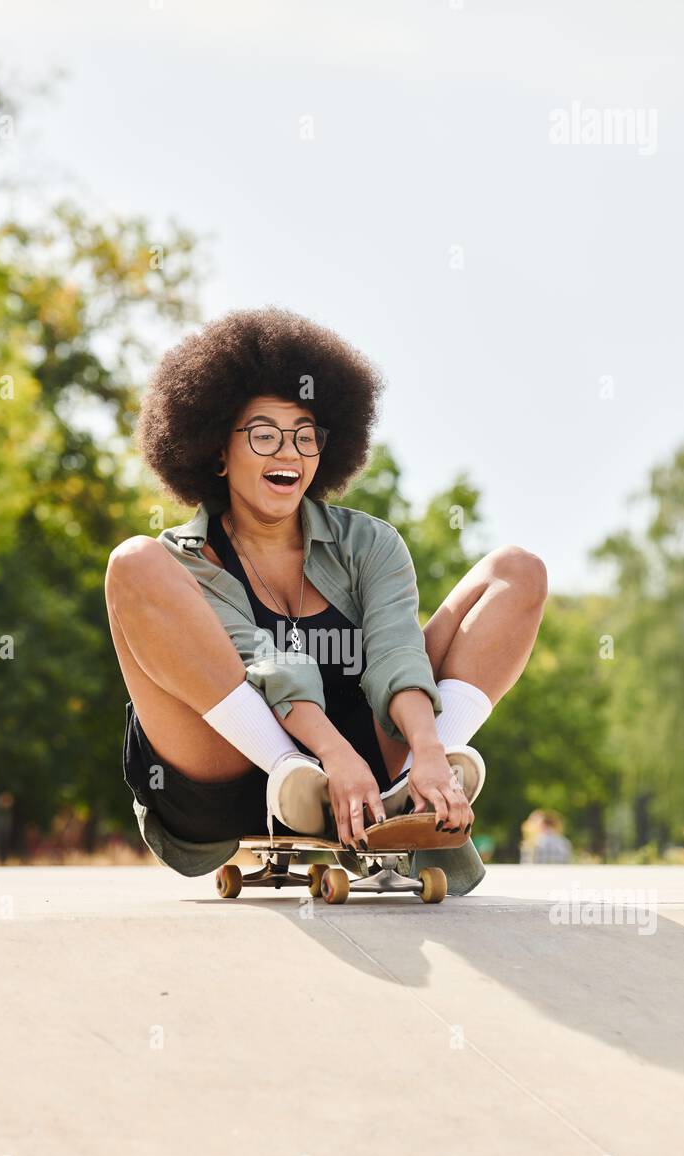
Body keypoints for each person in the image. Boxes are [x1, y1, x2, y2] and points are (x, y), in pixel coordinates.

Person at [105, 307, 548, 885]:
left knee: (518, 570)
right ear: (218, 450)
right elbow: (266, 662)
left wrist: (430, 751)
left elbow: (397, 655)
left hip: (367, 762)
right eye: (263, 435)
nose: (287, 452)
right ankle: (298, 779)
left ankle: (408, 790)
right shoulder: (188, 558)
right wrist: (324, 757)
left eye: (305, 436)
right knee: (133, 562)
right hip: (229, 772)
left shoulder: (369, 543)